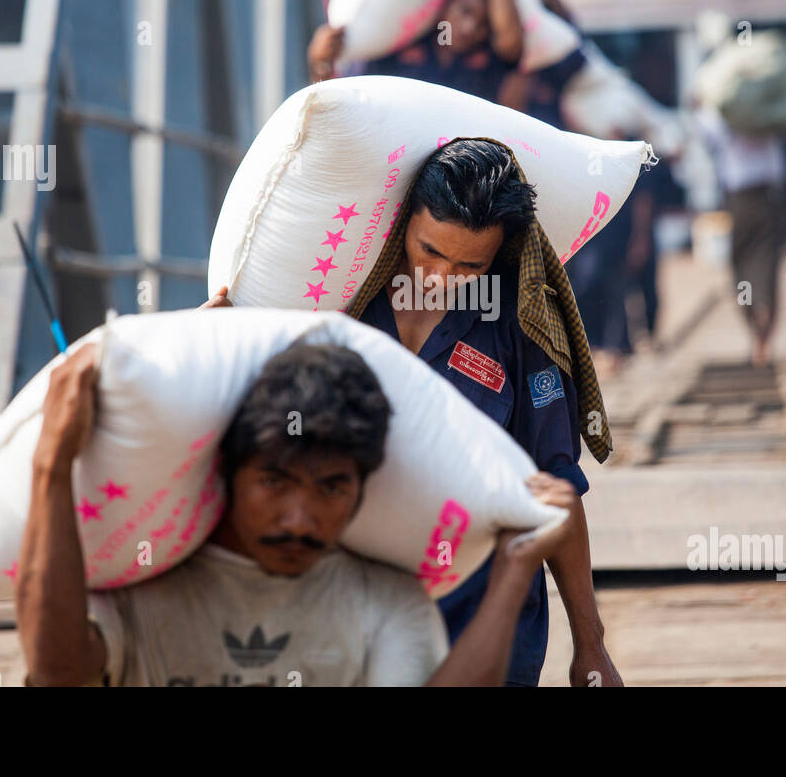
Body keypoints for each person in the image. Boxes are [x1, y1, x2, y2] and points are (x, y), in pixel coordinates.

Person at [209, 139, 622, 686]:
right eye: (429, 251)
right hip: (351, 603)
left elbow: (556, 490)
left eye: (469, 265)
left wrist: (590, 646)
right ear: (403, 222)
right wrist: (214, 337)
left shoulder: (521, 326)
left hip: (486, 608)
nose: (441, 277)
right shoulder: (341, 296)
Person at [14, 340, 576, 686]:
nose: (299, 521)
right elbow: (58, 671)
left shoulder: (386, 603)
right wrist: (52, 465)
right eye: (274, 481)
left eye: (332, 487)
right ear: (228, 471)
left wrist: (513, 574)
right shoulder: (145, 582)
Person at [308, 0, 523, 104]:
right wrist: (320, 63)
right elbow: (336, 102)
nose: (469, 28)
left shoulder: (486, 61)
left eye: (484, 24)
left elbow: (510, 40)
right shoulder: (396, 39)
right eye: (465, 11)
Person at [695, 106, 786, 366]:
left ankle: (758, 330)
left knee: (744, 268)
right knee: (765, 266)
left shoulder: (723, 111)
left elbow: (703, 131)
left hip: (742, 199)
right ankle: (762, 333)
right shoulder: (764, 108)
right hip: (768, 197)